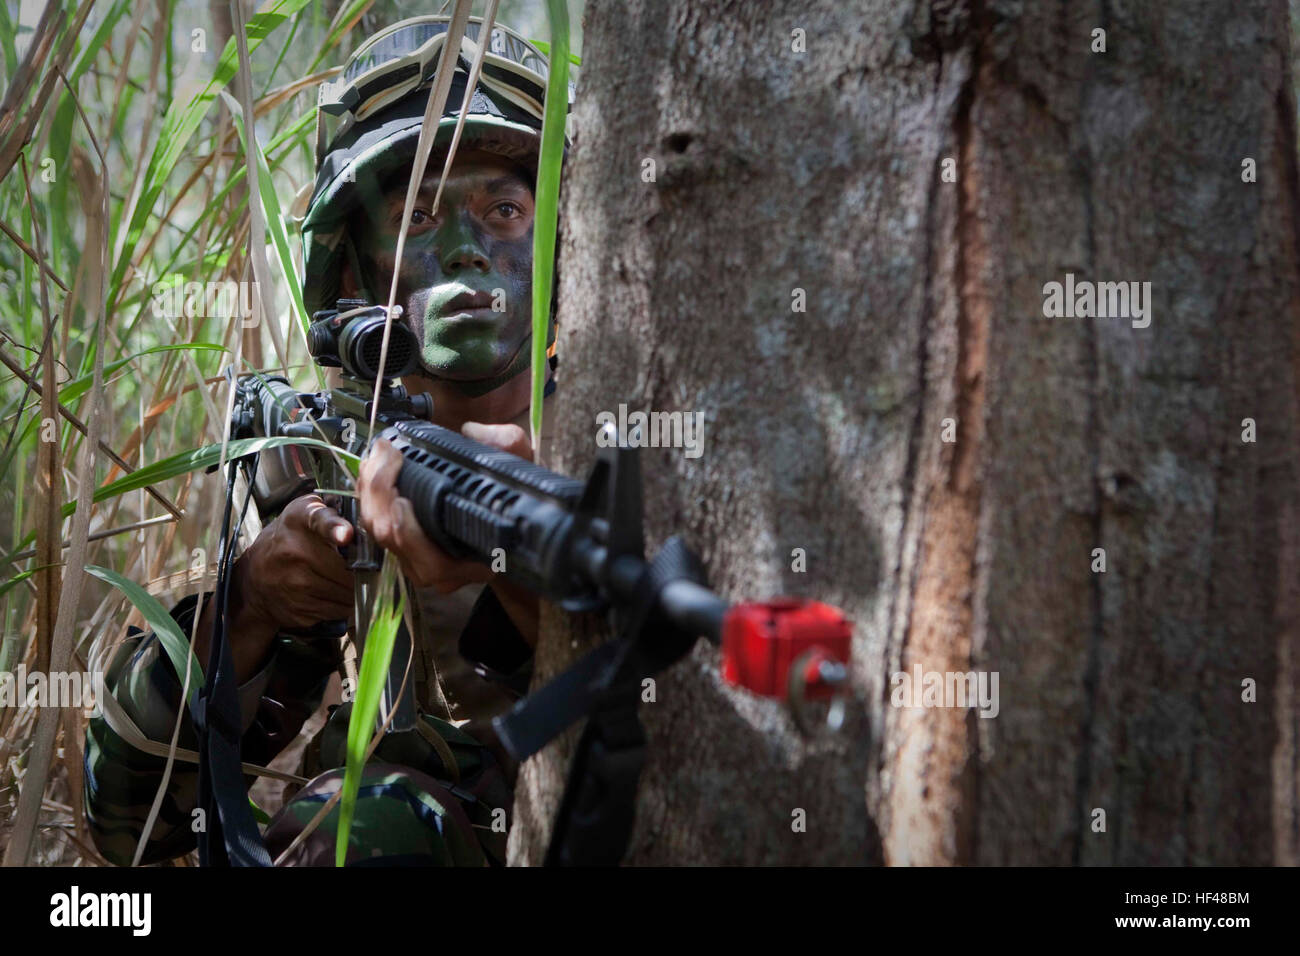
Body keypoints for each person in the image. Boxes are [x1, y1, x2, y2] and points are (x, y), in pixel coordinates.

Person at [84, 15, 567, 866]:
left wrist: (529, 571)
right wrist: (255, 602)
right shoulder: (333, 463)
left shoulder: (627, 427)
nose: (465, 249)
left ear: (561, 241)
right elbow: (128, 828)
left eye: (503, 208)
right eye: (417, 216)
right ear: (354, 267)